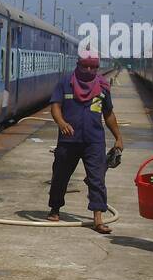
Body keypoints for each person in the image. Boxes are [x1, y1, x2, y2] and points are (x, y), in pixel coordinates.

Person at [47, 51, 124, 233]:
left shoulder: (103, 87)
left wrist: (118, 137)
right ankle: (55, 208)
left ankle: (98, 219)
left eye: (93, 67)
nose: (89, 70)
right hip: (68, 140)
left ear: (97, 68)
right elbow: (55, 106)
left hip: (94, 141)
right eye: (85, 66)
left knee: (97, 179)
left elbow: (109, 114)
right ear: (78, 65)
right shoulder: (65, 82)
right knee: (60, 176)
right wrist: (61, 122)